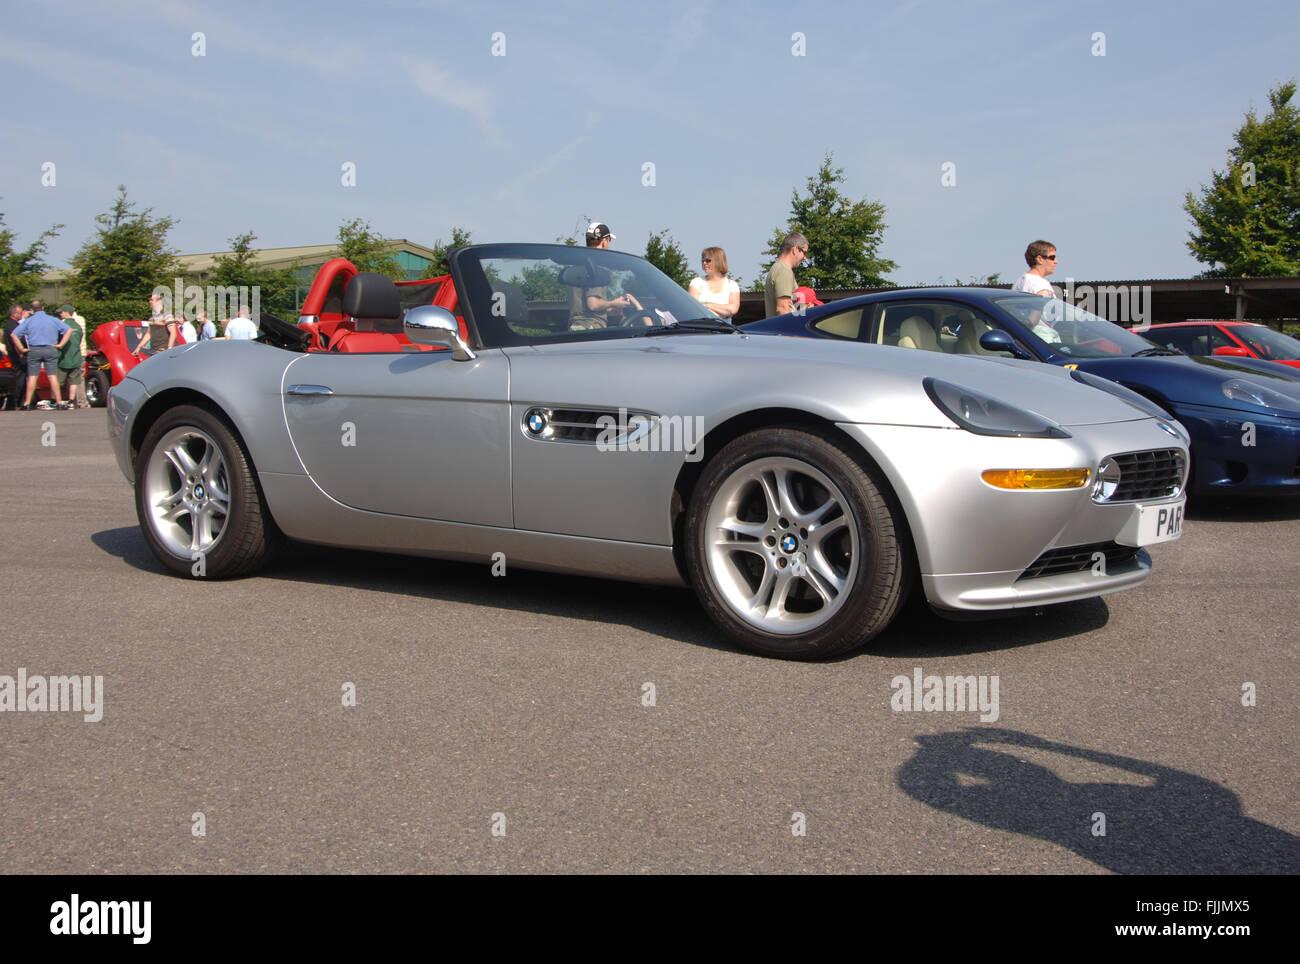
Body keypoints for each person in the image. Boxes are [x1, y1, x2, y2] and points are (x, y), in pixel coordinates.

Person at [568, 221, 638, 329]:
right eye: (609, 240)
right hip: (591, 329)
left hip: (576, 328)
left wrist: (610, 309)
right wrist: (614, 303)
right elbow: (593, 304)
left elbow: (585, 308)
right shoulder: (594, 268)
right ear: (605, 241)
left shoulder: (577, 268)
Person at [11, 303, 71, 410]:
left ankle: (27, 403)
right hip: (50, 348)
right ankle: (59, 401)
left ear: (32, 311)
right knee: (52, 376)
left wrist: (21, 349)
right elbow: (68, 330)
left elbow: (14, 335)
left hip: (34, 349)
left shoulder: (29, 321)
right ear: (43, 308)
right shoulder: (52, 319)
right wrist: (61, 344)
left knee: (32, 377)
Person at [688, 247, 741, 320]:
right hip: (701, 325)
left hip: (724, 328)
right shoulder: (696, 282)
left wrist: (706, 305)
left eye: (708, 260)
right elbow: (693, 307)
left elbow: (733, 309)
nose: (704, 263)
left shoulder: (732, 285)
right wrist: (723, 311)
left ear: (718, 261)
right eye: (702, 260)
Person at [764, 232, 810, 316]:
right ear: (795, 249)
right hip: (782, 329)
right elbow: (782, 308)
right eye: (804, 252)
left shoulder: (778, 268)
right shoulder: (784, 270)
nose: (805, 257)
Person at [55, 306, 87, 409]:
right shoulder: (78, 325)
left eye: (61, 312)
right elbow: (80, 338)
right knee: (74, 380)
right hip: (76, 356)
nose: (60, 314)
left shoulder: (62, 325)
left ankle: (56, 400)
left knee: (58, 380)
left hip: (64, 357)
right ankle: (71, 400)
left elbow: (58, 339)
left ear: (66, 313)